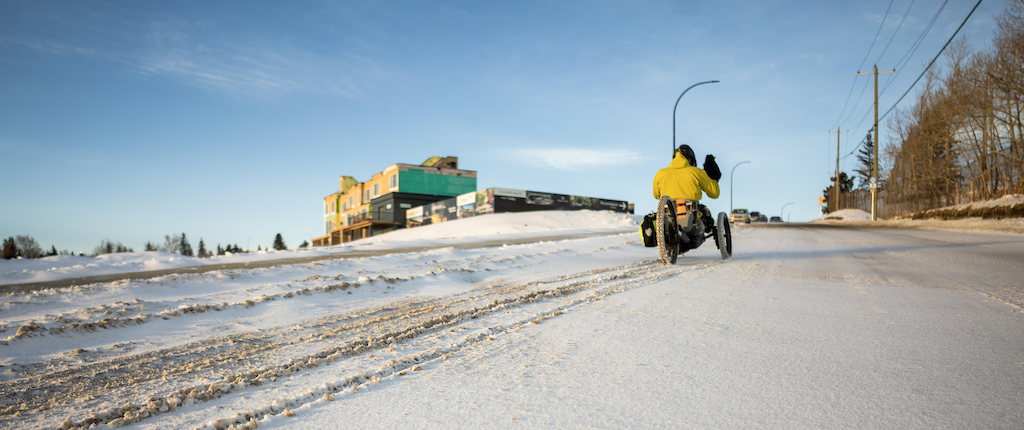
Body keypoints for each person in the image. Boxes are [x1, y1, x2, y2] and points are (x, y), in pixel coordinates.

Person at [652, 144, 723, 246]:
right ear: (690, 158)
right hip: (691, 220)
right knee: (705, 213)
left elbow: (656, 195)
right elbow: (714, 194)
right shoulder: (696, 172)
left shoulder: (660, 174)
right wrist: (713, 177)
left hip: (667, 218)